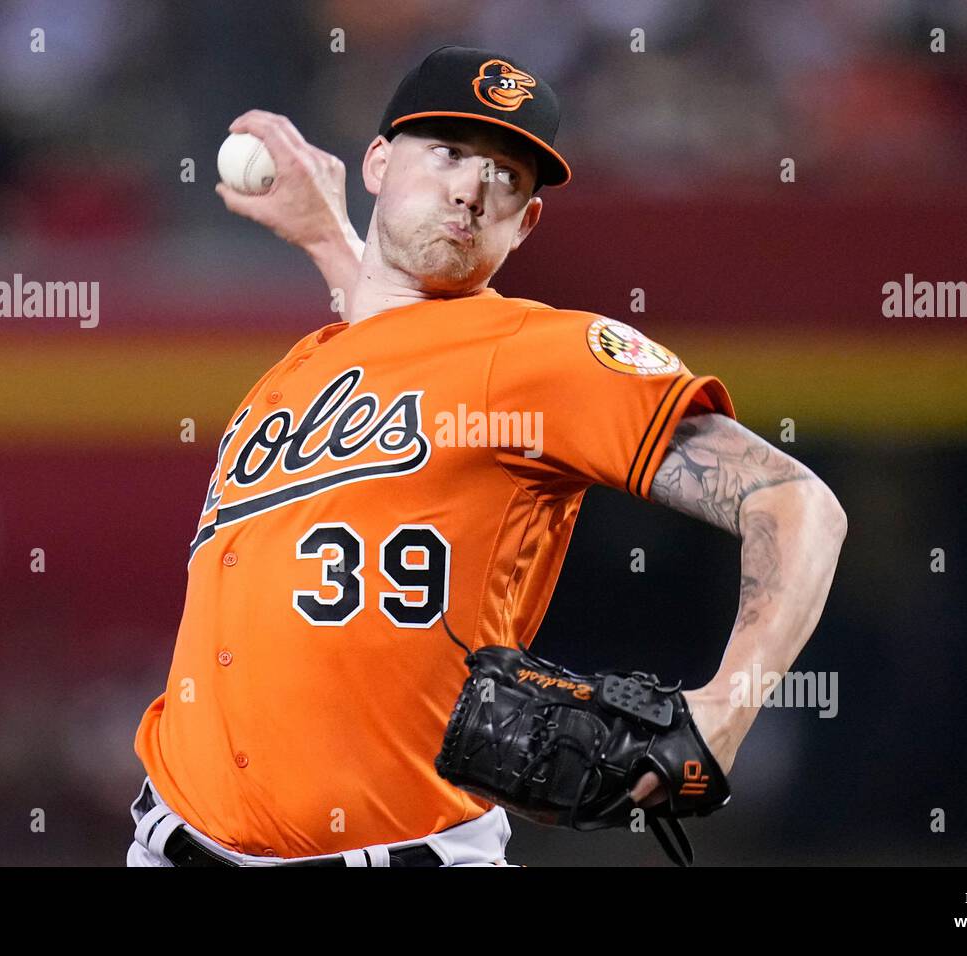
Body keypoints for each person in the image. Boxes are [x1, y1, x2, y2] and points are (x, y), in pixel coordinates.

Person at [128, 45, 846, 867]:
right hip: (168, 839)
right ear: (376, 163)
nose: (472, 188)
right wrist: (331, 236)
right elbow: (394, 341)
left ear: (526, 222)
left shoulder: (544, 355)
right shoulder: (305, 365)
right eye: (449, 153)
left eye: (508, 176)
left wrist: (727, 708)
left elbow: (796, 502)